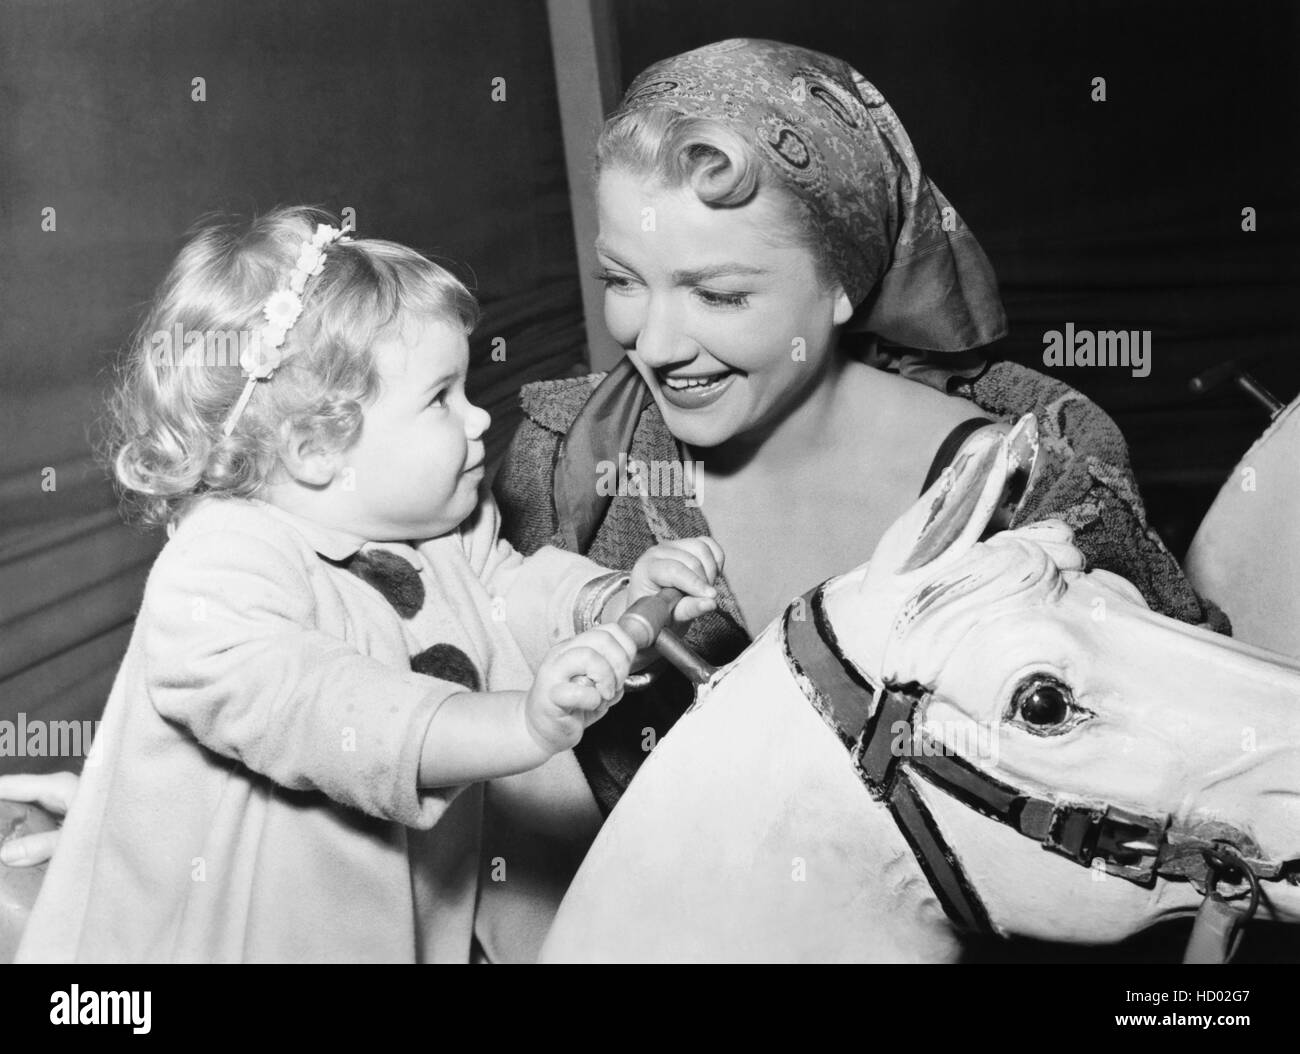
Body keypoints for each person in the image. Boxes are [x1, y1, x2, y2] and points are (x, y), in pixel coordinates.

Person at [494, 38, 1227, 814]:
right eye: (622, 281)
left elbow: (1193, 770)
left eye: (718, 295)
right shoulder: (563, 465)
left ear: (844, 284)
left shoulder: (1031, 488)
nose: (657, 344)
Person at [11, 207, 721, 963]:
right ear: (317, 448)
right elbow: (312, 704)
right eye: (440, 397)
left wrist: (609, 603)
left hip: (431, 905)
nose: (481, 417)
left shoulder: (445, 526)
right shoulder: (220, 565)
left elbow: (516, 593)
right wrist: (515, 725)